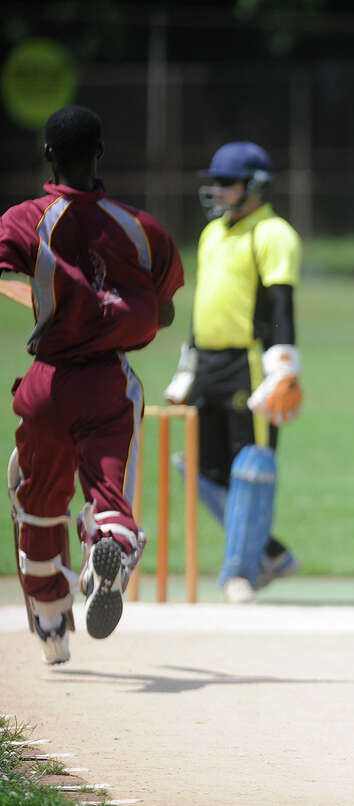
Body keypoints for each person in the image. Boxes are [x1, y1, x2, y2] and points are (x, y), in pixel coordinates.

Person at [2, 105, 184, 664]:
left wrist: (44, 302)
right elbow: (167, 311)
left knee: (35, 503)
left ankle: (52, 622)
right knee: (110, 497)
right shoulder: (141, 226)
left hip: (46, 383)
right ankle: (111, 543)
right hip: (108, 382)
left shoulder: (24, 218)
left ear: (48, 155)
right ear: (100, 152)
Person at [163, 141, 303, 604]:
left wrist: (283, 365)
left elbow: (281, 302)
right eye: (214, 181)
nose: (217, 190)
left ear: (257, 186)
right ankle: (272, 553)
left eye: (228, 182)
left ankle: (239, 573)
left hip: (249, 363)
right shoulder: (212, 234)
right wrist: (187, 366)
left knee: (251, 467)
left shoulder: (273, 233)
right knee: (199, 467)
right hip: (207, 363)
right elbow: (203, 306)